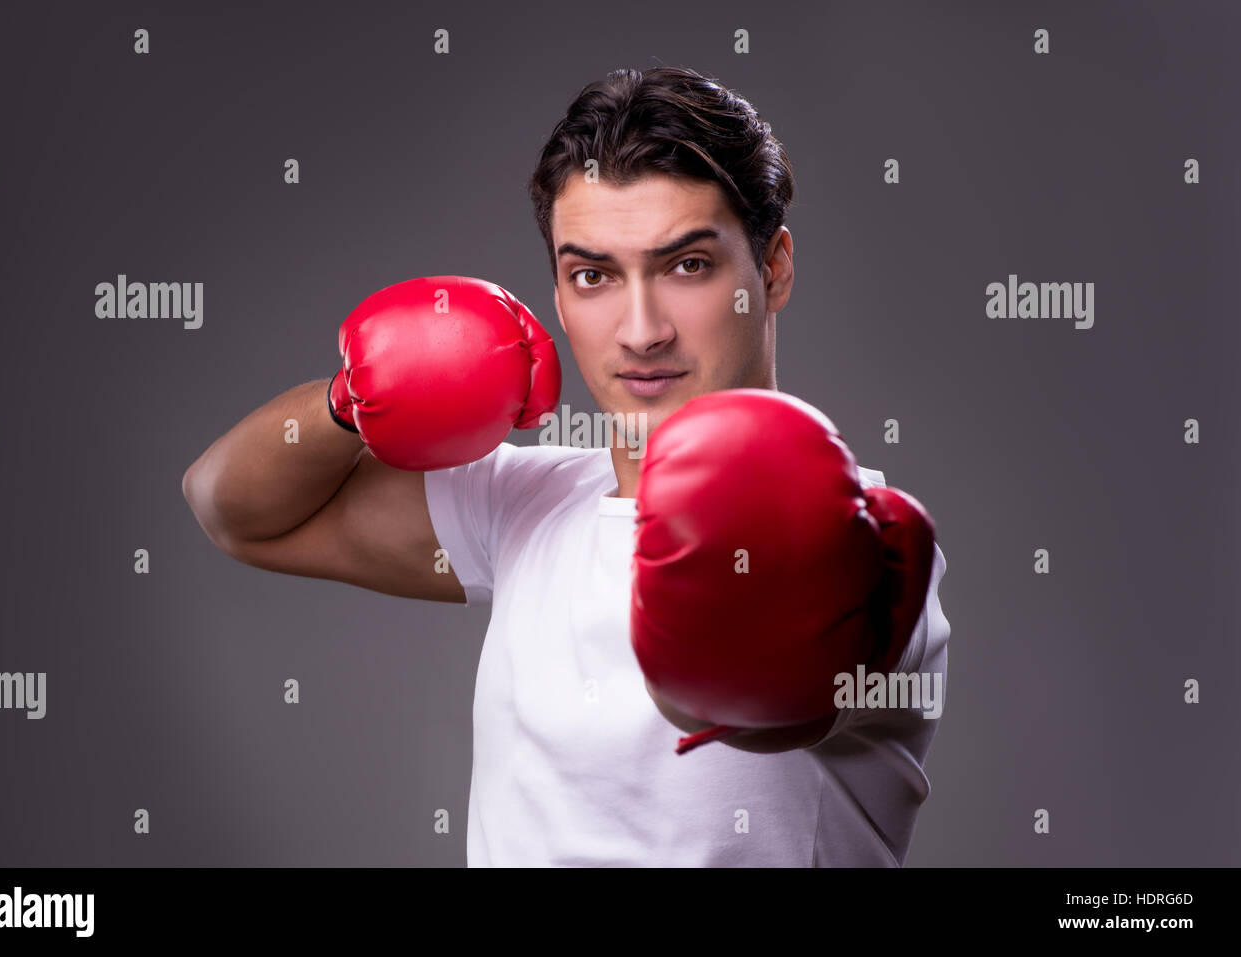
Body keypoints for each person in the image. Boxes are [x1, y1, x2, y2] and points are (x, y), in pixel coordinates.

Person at [182, 66, 950, 867]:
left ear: (774, 269)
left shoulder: (850, 538)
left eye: (687, 265)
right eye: (594, 275)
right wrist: (351, 399)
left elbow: (739, 697)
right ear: (555, 292)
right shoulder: (525, 502)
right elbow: (228, 506)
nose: (641, 330)